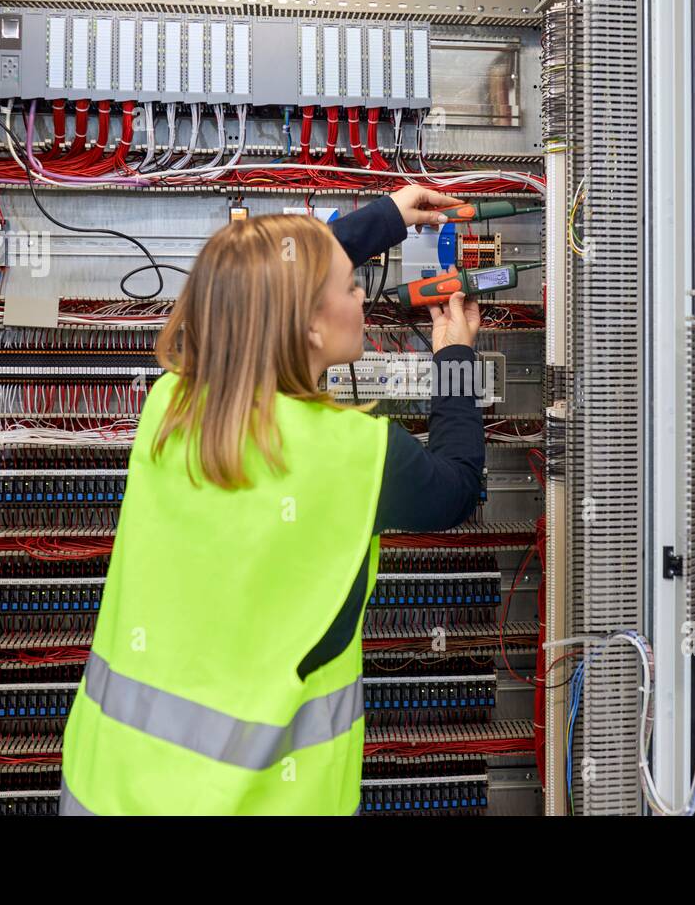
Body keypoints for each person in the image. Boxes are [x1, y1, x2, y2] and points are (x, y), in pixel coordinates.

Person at [60, 186, 486, 815]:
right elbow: (456, 487)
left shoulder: (169, 407)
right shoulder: (355, 455)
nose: (364, 295)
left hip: (106, 785)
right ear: (310, 324)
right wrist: (455, 358)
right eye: (349, 288)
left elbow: (248, 290)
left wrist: (387, 218)